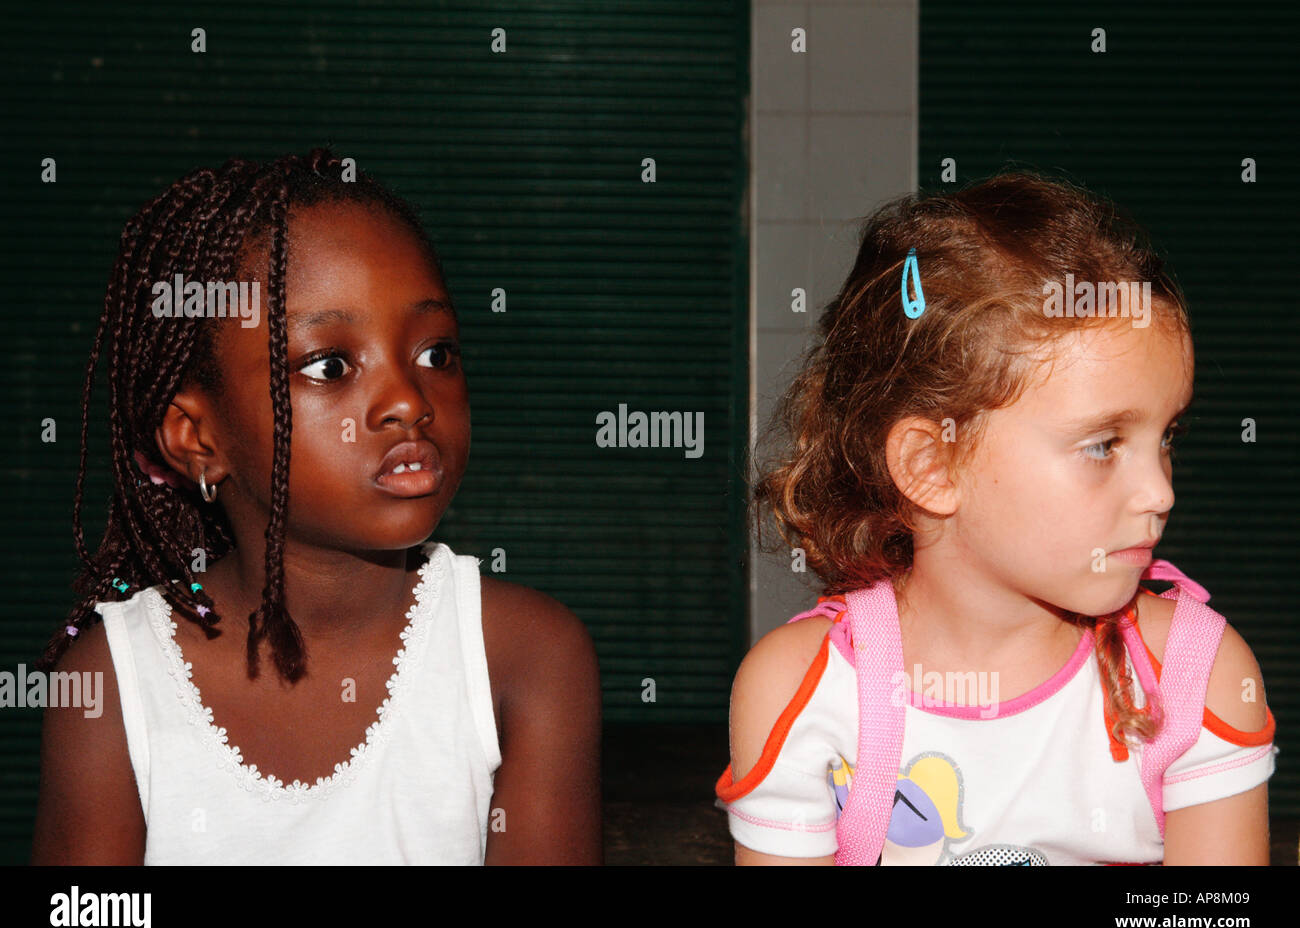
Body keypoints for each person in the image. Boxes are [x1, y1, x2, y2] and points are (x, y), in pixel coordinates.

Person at [30, 148, 601, 864]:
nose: (406, 402)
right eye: (330, 366)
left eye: (436, 354)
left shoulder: (522, 656)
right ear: (197, 437)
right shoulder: (116, 682)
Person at [717, 171, 1276, 865]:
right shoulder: (806, 696)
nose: (1159, 490)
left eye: (1166, 438)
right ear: (932, 466)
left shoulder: (1195, 676)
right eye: (1103, 445)